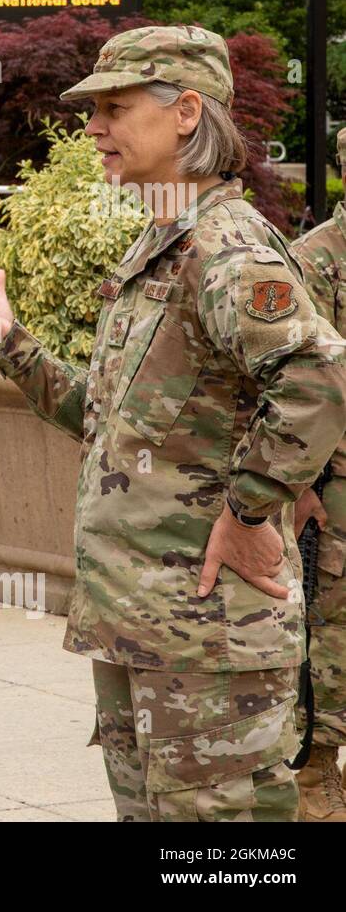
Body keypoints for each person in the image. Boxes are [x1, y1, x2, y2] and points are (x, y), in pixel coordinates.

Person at [0, 25, 346, 822]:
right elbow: (110, 424)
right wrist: (4, 339)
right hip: (142, 627)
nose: (93, 127)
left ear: (187, 113)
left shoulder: (225, 247)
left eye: (113, 107)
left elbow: (317, 376)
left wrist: (247, 510)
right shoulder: (163, 244)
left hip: (210, 639)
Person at [286, 124, 346, 822]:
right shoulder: (314, 259)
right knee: (328, 645)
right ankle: (316, 781)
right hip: (334, 490)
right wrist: (300, 484)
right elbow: (303, 383)